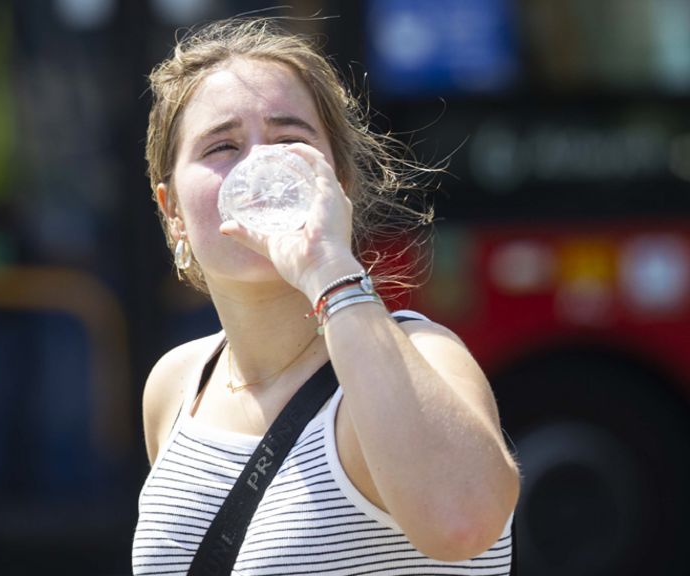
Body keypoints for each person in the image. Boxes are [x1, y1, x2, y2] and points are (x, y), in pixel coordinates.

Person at [133, 17, 520, 576]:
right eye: (222, 145)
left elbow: (462, 522)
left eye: (290, 139)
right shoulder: (176, 384)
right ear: (172, 212)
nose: (261, 167)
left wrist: (328, 271)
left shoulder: (424, 355)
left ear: (340, 186)